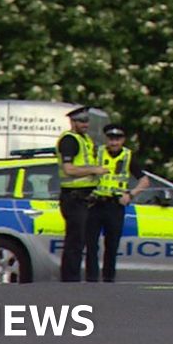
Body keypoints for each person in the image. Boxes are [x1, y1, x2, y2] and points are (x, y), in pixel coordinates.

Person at [85, 123, 150, 282]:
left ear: (123, 140)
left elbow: (144, 181)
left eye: (118, 139)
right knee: (91, 245)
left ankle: (109, 279)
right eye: (111, 139)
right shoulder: (97, 153)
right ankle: (91, 279)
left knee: (112, 246)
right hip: (95, 204)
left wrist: (131, 195)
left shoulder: (128, 156)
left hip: (115, 206)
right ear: (106, 139)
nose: (114, 143)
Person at [56, 105, 107, 282]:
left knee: (81, 241)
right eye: (81, 121)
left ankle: (76, 278)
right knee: (74, 242)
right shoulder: (69, 140)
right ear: (72, 121)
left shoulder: (85, 140)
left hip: (85, 198)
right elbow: (69, 169)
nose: (85, 124)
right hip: (73, 197)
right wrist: (94, 169)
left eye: (87, 121)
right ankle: (70, 280)